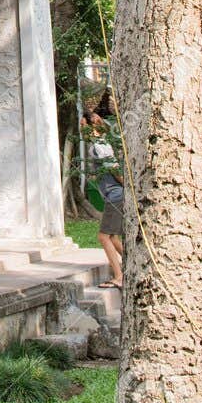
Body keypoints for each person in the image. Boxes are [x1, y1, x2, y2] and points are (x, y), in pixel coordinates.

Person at [85, 106, 124, 287]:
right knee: (113, 236)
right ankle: (132, 266)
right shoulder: (102, 143)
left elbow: (113, 167)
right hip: (114, 195)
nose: (82, 130)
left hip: (115, 195)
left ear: (94, 127)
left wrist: (124, 184)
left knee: (104, 236)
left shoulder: (98, 146)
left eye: (85, 126)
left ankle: (119, 276)